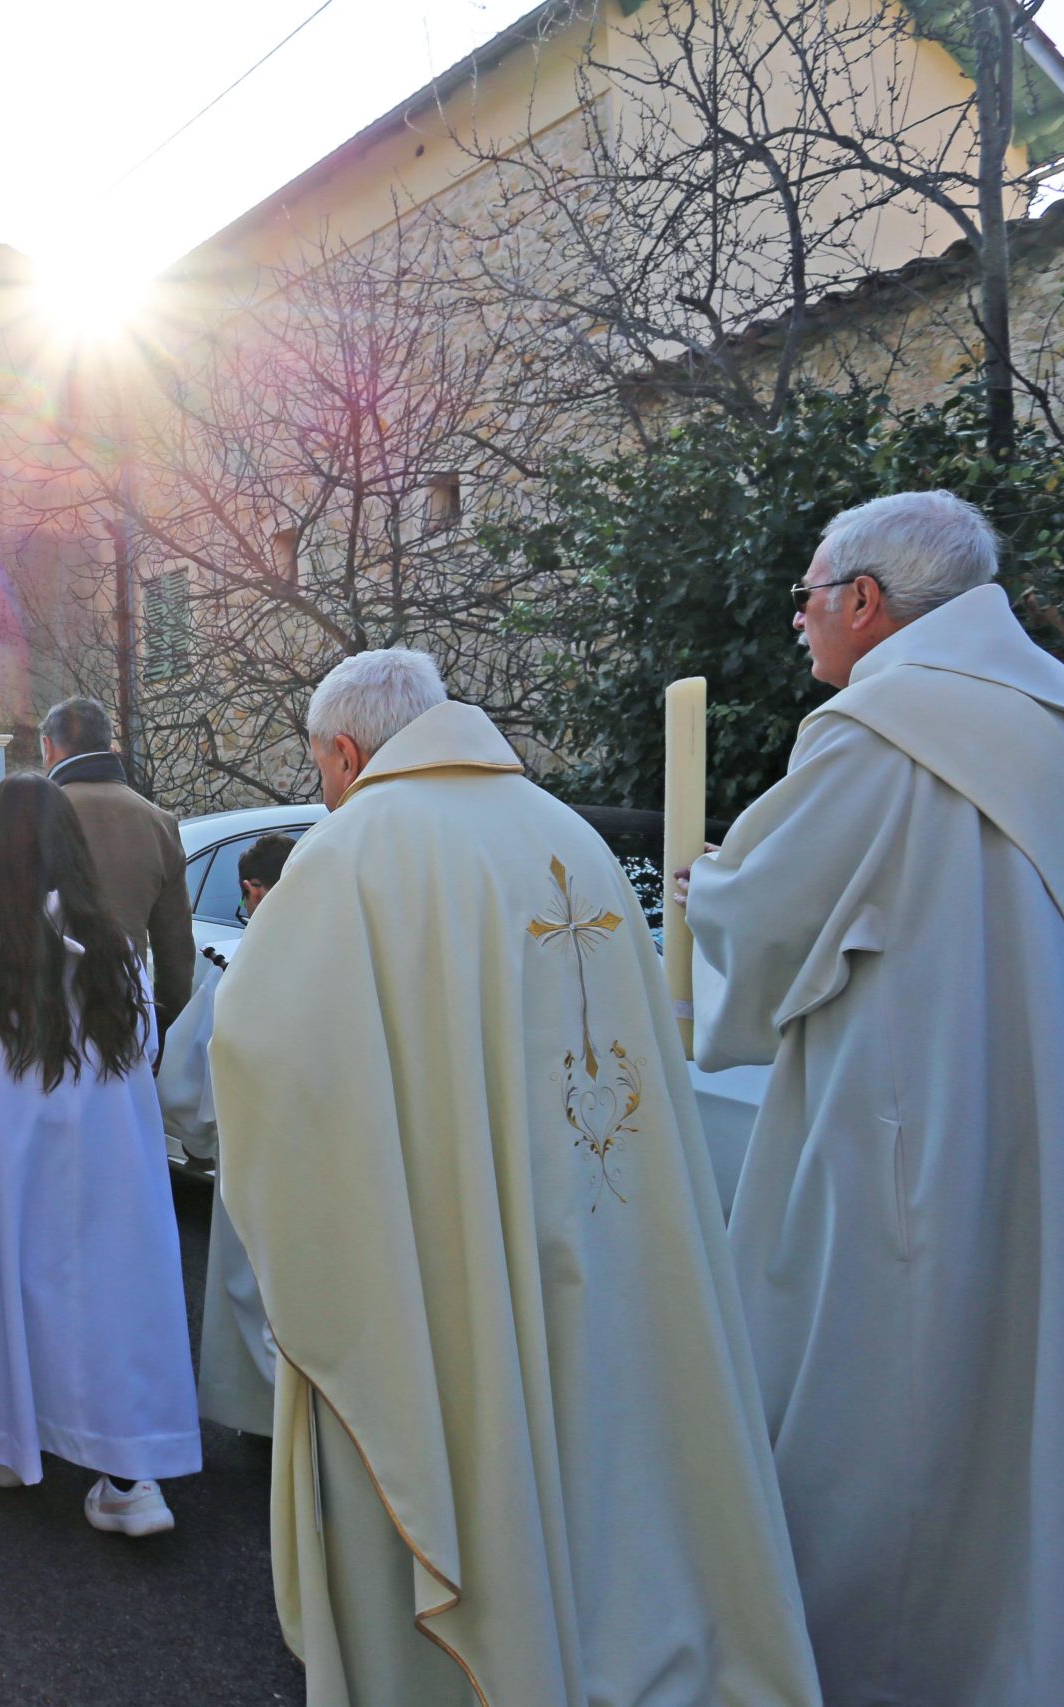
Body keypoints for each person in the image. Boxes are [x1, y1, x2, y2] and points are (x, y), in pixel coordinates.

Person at [211, 649, 820, 1707]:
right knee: (603, 1452)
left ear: (344, 753)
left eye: (319, 768)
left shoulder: (353, 852)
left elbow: (270, 1066)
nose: (323, 787)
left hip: (451, 1273)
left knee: (482, 1443)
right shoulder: (565, 834)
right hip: (602, 1232)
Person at [686, 491, 1064, 1705]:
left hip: (913, 1138)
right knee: (1046, 1391)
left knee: (896, 1420)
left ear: (864, 603)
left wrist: (703, 887)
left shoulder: (877, 728)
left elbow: (764, 920)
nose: (798, 625)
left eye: (807, 598)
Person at [0, 774, 201, 1533]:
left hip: (9, 1153)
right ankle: (130, 1474)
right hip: (110, 1155)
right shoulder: (115, 947)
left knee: (5, 1281)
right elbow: (147, 1043)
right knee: (110, 1297)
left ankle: (3, 1440)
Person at [156, 831, 291, 1438]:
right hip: (341, 1161)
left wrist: (199, 1137)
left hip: (258, 1155)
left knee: (255, 1288)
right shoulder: (358, 962)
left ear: (251, 892)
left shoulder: (230, 968)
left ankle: (270, 1423)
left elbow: (186, 1082)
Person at [40, 698, 196, 1030]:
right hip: (125, 1013)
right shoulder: (159, 822)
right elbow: (176, 950)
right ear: (110, 746)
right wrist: (166, 1023)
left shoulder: (34, 816)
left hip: (44, 1014)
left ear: (48, 747)